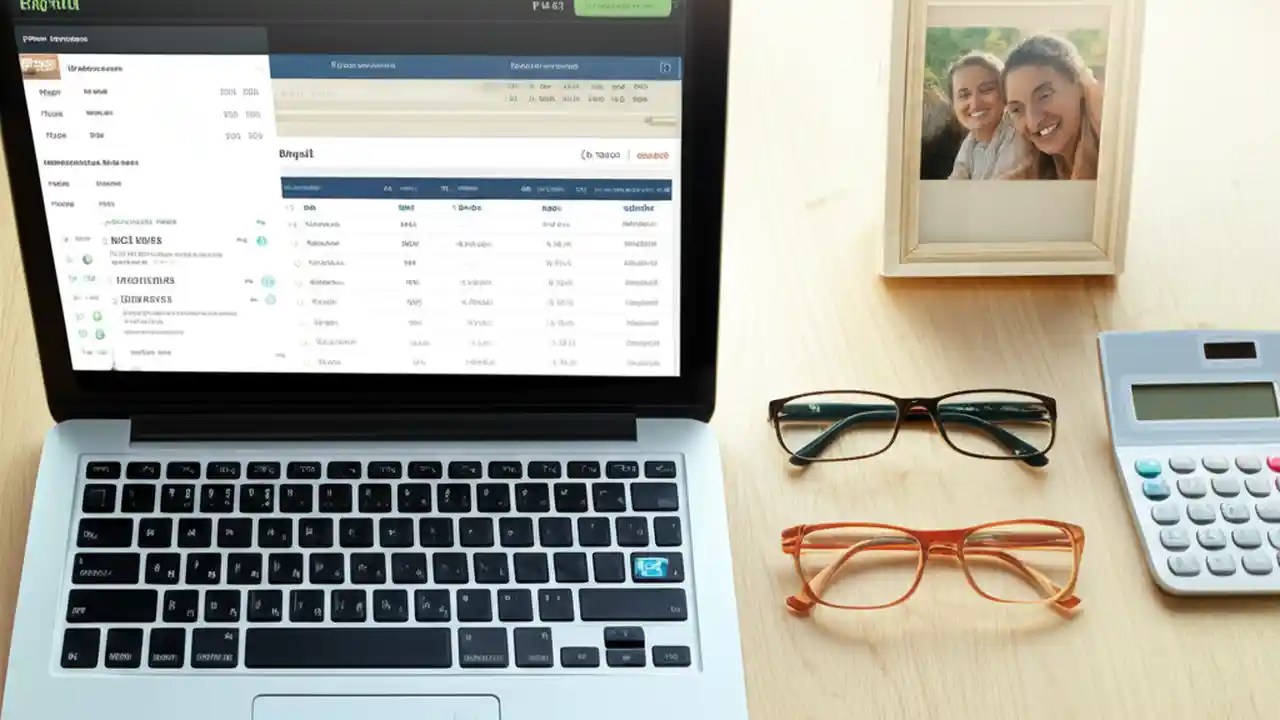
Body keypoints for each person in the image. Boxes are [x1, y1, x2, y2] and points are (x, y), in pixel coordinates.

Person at [1001, 33, 1104, 180]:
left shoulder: (1120, 163)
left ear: (1080, 84)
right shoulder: (1024, 182)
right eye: (1017, 109)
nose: (1033, 121)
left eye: (1044, 96)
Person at [944, 52, 1033, 180]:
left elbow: (996, 194)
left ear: (1006, 93)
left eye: (986, 90)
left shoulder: (1017, 133)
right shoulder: (970, 142)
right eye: (964, 95)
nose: (975, 103)